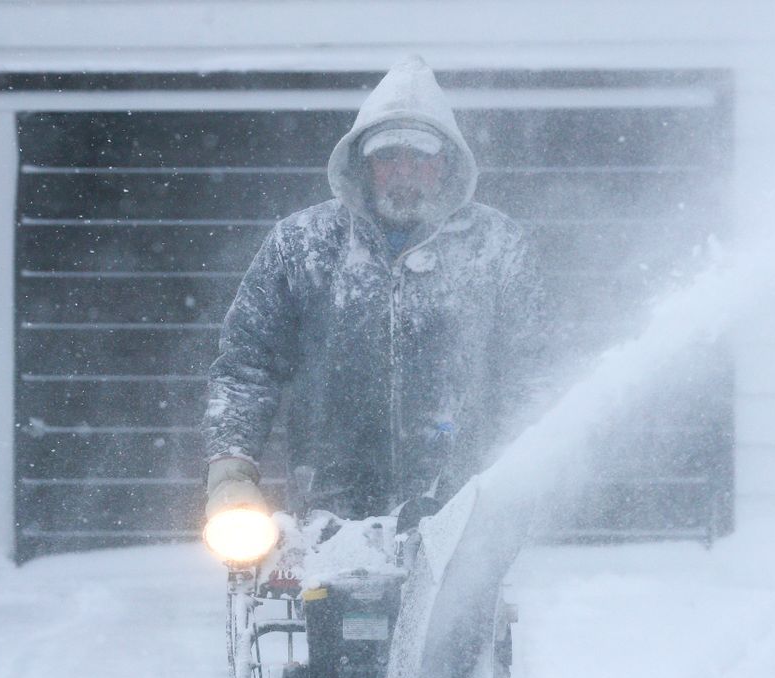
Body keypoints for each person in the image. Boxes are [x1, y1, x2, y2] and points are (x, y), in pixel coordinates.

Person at [203, 56, 545, 526]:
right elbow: (246, 368)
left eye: (420, 156)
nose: (404, 171)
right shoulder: (302, 244)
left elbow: (531, 372)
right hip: (326, 514)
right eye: (388, 157)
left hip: (462, 514)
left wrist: (516, 474)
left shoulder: (495, 245)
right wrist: (231, 473)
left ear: (446, 162)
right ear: (362, 165)